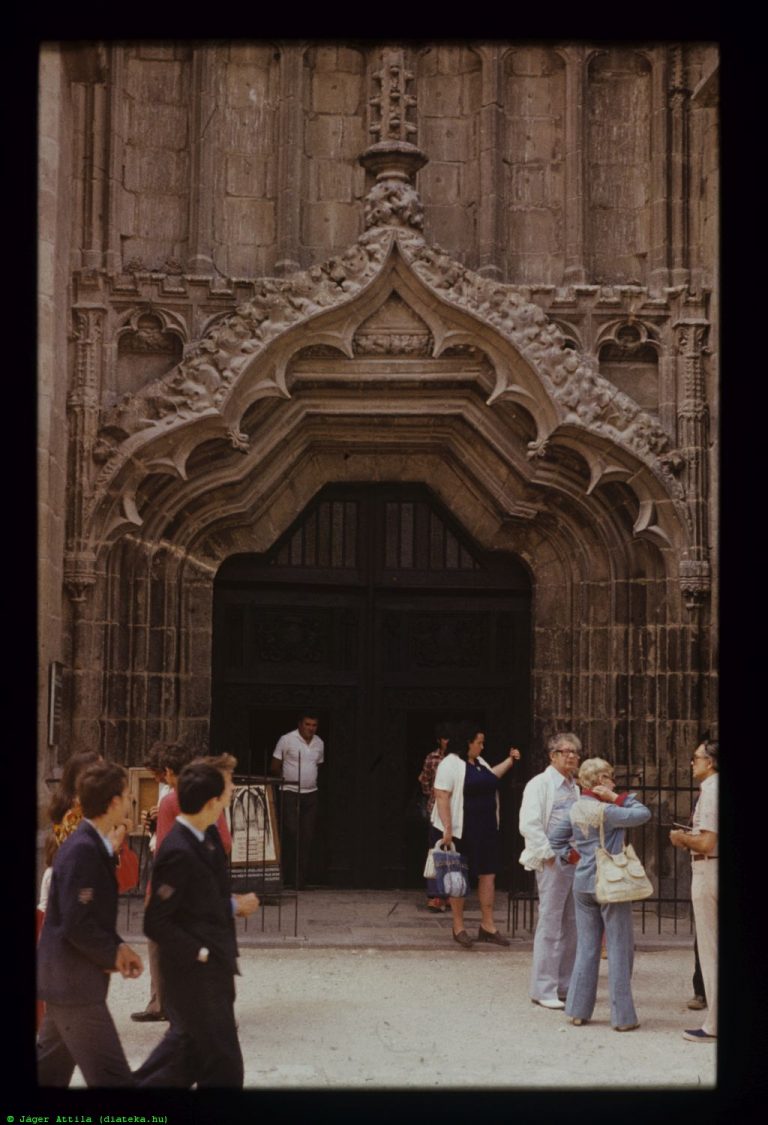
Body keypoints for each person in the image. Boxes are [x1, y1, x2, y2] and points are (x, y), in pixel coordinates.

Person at [134, 760, 259, 1087]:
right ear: (210, 803)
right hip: (195, 977)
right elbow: (157, 922)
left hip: (217, 969)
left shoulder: (209, 838)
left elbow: (203, 898)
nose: (231, 794)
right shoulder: (176, 849)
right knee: (225, 1069)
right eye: (226, 791)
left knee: (187, 1061)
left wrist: (232, 905)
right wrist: (201, 953)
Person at [37, 761, 144, 1086]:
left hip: (65, 983)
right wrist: (114, 953)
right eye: (126, 795)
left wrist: (118, 947)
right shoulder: (83, 850)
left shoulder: (89, 845)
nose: (129, 801)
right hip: (75, 988)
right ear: (113, 803)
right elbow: (77, 924)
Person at [550, 757, 651, 1031]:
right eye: (609, 777)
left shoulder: (574, 808)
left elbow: (556, 838)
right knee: (619, 949)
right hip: (610, 882)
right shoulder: (608, 811)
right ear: (599, 781)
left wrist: (573, 857)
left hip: (583, 882)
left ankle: (577, 1011)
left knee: (587, 948)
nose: (613, 781)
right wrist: (618, 797)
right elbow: (643, 813)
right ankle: (622, 1017)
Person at [431, 721, 521, 948]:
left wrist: (510, 761)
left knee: (488, 874)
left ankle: (487, 925)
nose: (482, 747)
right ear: (468, 742)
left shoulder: (479, 762)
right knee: (458, 878)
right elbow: (441, 795)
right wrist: (447, 829)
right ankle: (458, 926)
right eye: (479, 742)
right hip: (462, 829)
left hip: (486, 827)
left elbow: (492, 776)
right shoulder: (450, 764)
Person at [518, 732, 582, 1009]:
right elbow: (530, 823)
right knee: (551, 922)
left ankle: (565, 985)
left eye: (575, 752)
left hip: (575, 859)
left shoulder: (574, 786)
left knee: (572, 924)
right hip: (553, 860)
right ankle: (543, 988)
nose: (571, 756)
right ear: (552, 755)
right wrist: (547, 855)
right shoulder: (540, 784)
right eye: (565, 751)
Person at [669, 739, 718, 1043]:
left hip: (708, 867)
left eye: (696, 757)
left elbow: (706, 842)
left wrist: (682, 839)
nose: (692, 762)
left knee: (710, 951)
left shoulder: (712, 791)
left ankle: (713, 1024)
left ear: (710, 762)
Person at [271, 712, 324, 889]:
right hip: (290, 791)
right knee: (291, 833)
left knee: (307, 836)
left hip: (311, 793)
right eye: (307, 724)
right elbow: (274, 766)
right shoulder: (286, 740)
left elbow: (318, 765)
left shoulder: (319, 743)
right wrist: (286, 781)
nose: (310, 728)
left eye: (314, 725)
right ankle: (284, 876)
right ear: (300, 724)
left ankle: (300, 880)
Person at [418, 723, 450, 912]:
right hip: (436, 809)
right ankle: (435, 894)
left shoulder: (459, 759)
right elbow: (425, 781)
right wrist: (433, 797)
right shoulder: (432, 758)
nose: (447, 742)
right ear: (439, 740)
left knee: (451, 851)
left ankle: (449, 891)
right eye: (444, 738)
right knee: (435, 850)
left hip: (455, 811)